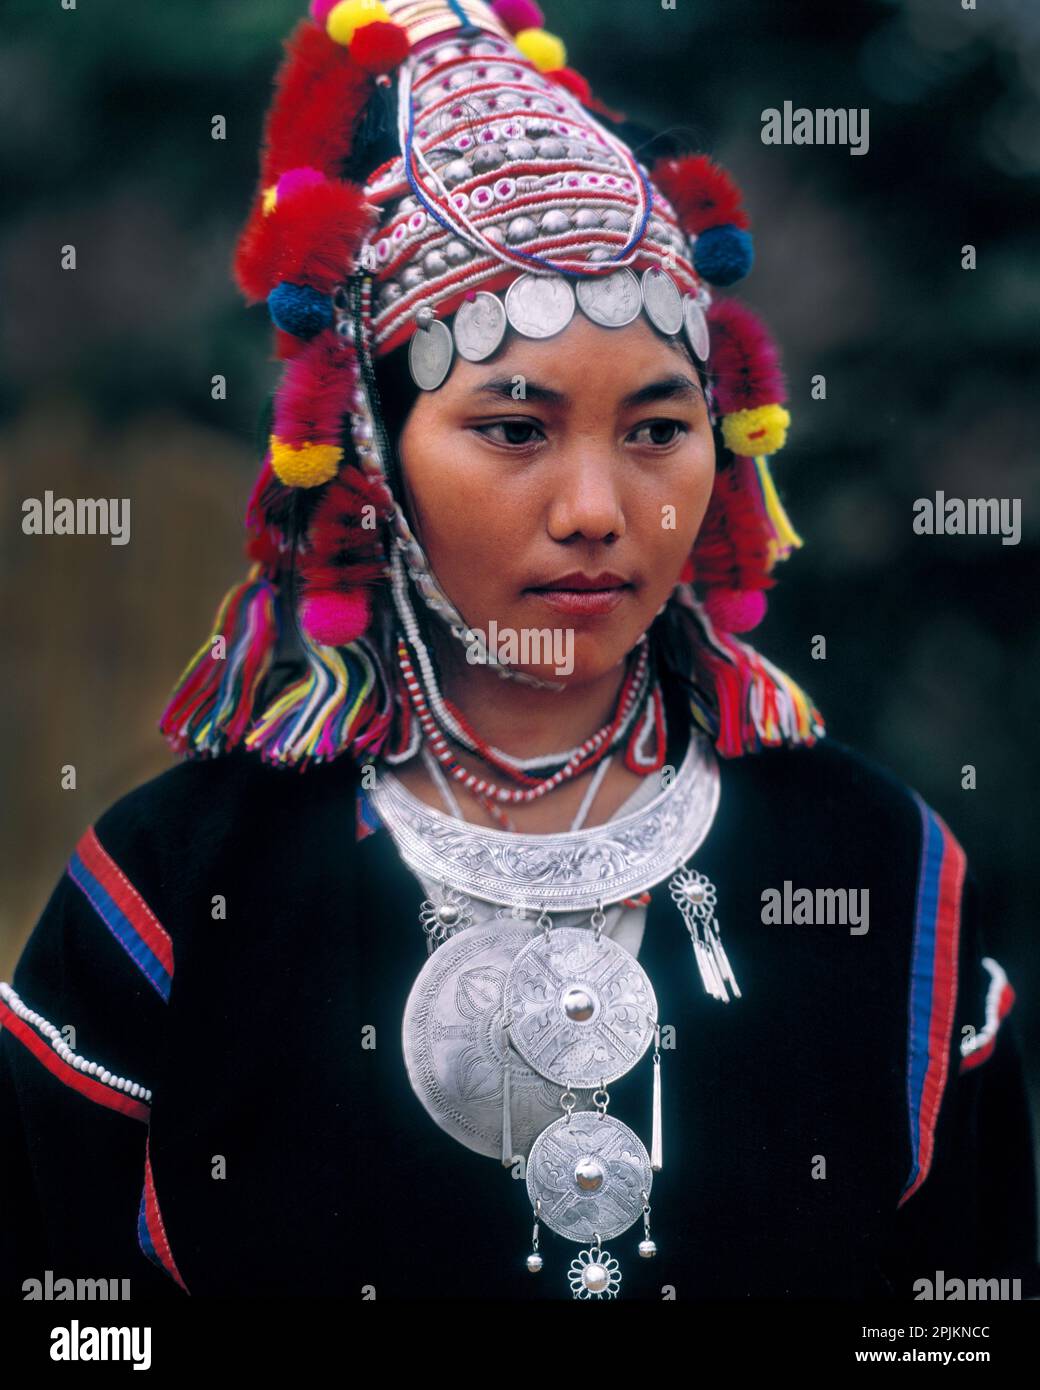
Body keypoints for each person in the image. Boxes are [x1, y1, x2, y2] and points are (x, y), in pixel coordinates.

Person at [2, 0, 1038, 1303]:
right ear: (371, 456)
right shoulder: (170, 893)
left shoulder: (882, 872)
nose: (599, 507)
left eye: (659, 429)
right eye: (513, 427)